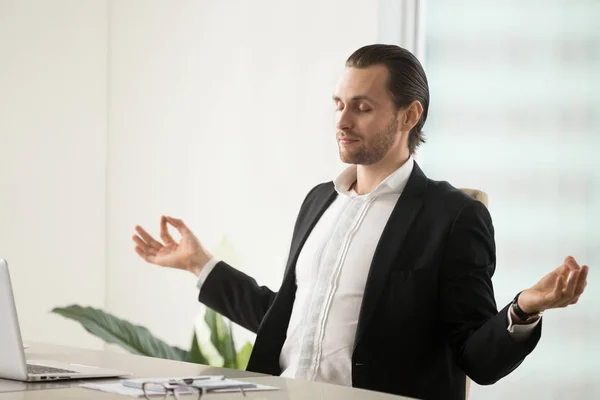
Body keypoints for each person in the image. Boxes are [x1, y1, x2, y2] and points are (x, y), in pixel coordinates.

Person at [132, 44, 589, 400]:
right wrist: (200, 265)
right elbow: (287, 319)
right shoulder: (319, 201)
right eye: (338, 104)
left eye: (362, 107)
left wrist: (524, 309)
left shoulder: (452, 216)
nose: (342, 121)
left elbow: (475, 357)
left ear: (410, 115)